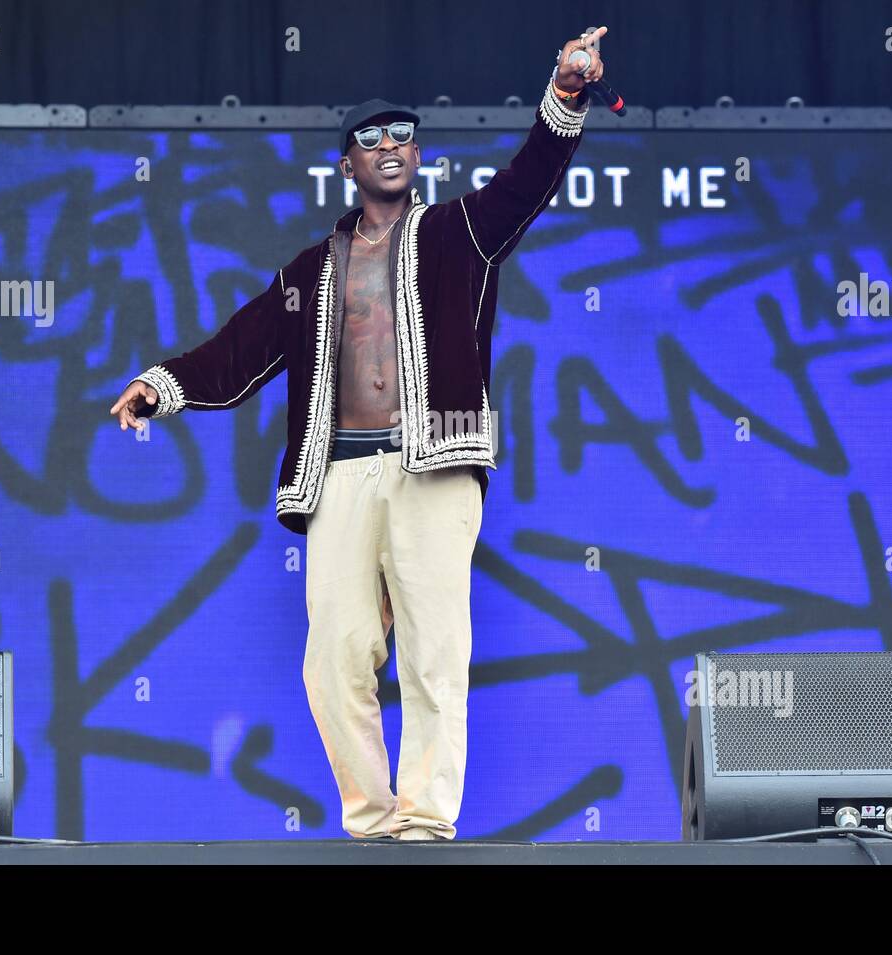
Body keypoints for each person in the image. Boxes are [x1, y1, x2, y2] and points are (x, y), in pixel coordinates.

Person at [110, 27, 609, 840]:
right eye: (371, 138)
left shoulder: (461, 232)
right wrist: (159, 385)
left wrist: (567, 91)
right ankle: (373, 822)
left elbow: (530, 181)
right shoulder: (311, 272)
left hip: (435, 467)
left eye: (403, 135)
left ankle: (423, 822)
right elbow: (236, 352)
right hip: (338, 473)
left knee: (433, 654)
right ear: (346, 163)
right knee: (332, 659)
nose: (389, 146)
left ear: (418, 156)